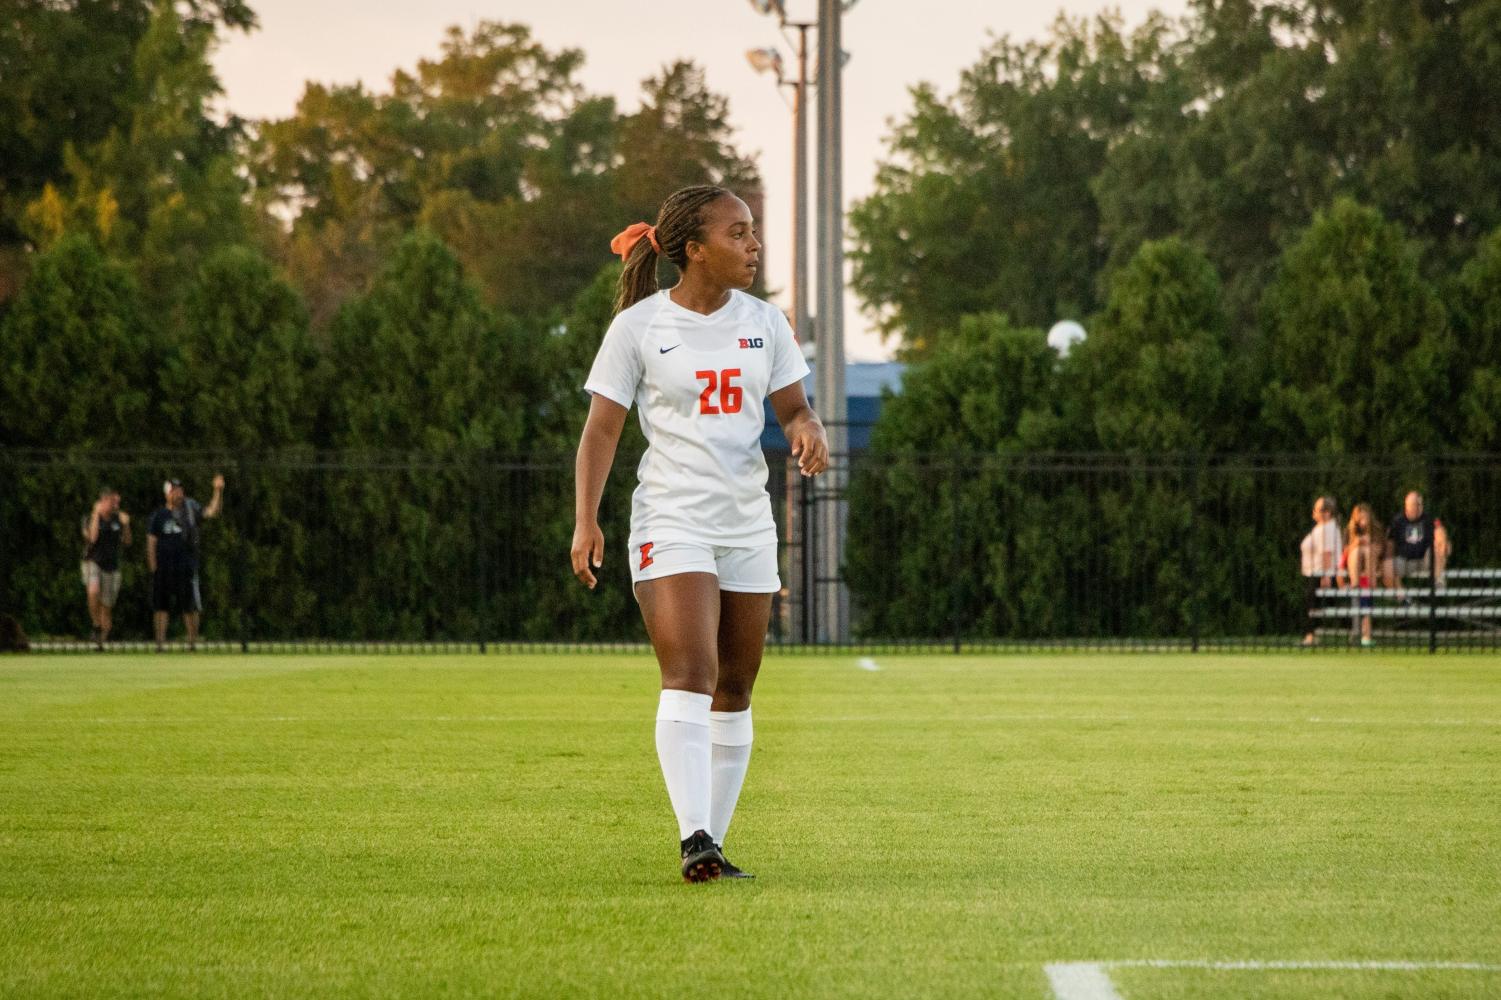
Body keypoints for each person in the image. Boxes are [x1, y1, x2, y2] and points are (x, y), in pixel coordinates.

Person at [571, 185, 829, 883]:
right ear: (694, 249)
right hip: (671, 518)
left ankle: (712, 839)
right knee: (691, 673)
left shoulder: (764, 322)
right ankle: (694, 839)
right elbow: (602, 428)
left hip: (746, 523)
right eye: (738, 234)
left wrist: (807, 430)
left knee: (736, 687)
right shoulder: (638, 327)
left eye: (752, 232)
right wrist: (585, 518)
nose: (753, 246)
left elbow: (793, 407)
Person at [147, 474, 224, 651]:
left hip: (186, 565)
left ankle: (192, 642)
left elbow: (212, 512)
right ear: (167, 494)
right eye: (174, 491)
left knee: (189, 606)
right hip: (164, 567)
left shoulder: (191, 509)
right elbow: (151, 542)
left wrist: (217, 491)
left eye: (180, 490)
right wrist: (153, 566)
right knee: (161, 606)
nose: (179, 493)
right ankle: (160, 643)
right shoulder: (159, 516)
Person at [81, 487, 131, 649]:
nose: (115, 505)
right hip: (93, 561)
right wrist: (96, 514)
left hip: (111, 566)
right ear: (102, 502)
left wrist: (126, 525)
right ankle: (96, 624)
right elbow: (92, 538)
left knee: (106, 607)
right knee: (93, 591)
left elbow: (127, 542)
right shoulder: (89, 518)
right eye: (111, 501)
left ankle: (100, 643)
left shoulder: (118, 519)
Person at [1299, 495, 1342, 646]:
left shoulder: (1327, 528)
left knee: (1312, 604)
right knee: (1311, 604)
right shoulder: (1321, 527)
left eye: (1317, 510)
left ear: (1327, 512)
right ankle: (1311, 634)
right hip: (1314, 572)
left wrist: (1325, 576)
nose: (1314, 512)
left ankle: (1310, 635)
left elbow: (1327, 553)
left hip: (1320, 573)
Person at [1387, 490, 1450, 588]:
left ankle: (1438, 581)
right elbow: (1389, 543)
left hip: (1426, 561)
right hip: (1405, 561)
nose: (1418, 507)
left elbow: (1440, 530)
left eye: (1420, 504)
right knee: (1387, 565)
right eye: (1415, 504)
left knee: (1439, 545)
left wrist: (1441, 539)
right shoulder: (1397, 521)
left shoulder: (1429, 518)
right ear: (1406, 506)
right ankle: (1404, 600)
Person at [1345, 503, 1380, 647]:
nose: (1362, 520)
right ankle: (1356, 585)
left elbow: (1381, 549)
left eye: (1365, 516)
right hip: (1357, 574)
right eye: (1359, 518)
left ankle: (1366, 633)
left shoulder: (1376, 530)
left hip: (1370, 572)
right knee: (1358, 551)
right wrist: (1356, 543)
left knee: (1367, 550)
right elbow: (1345, 553)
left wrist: (1368, 543)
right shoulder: (1350, 531)